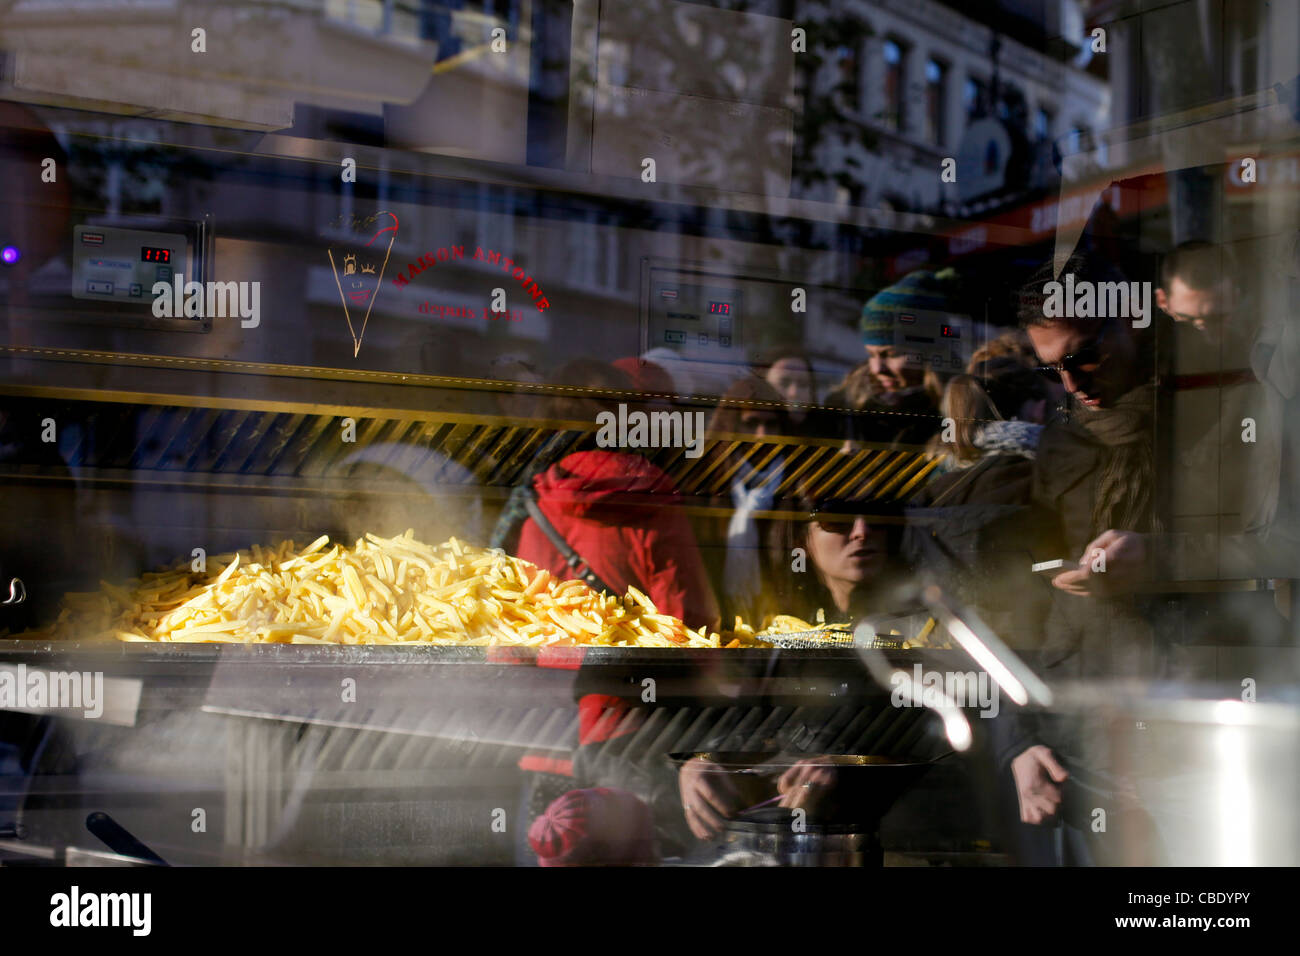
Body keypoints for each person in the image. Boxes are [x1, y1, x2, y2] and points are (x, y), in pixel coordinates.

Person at [514, 359, 719, 629]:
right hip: (634, 668)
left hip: (550, 668)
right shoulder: (652, 495)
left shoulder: (534, 500)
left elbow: (518, 617)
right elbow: (686, 622)